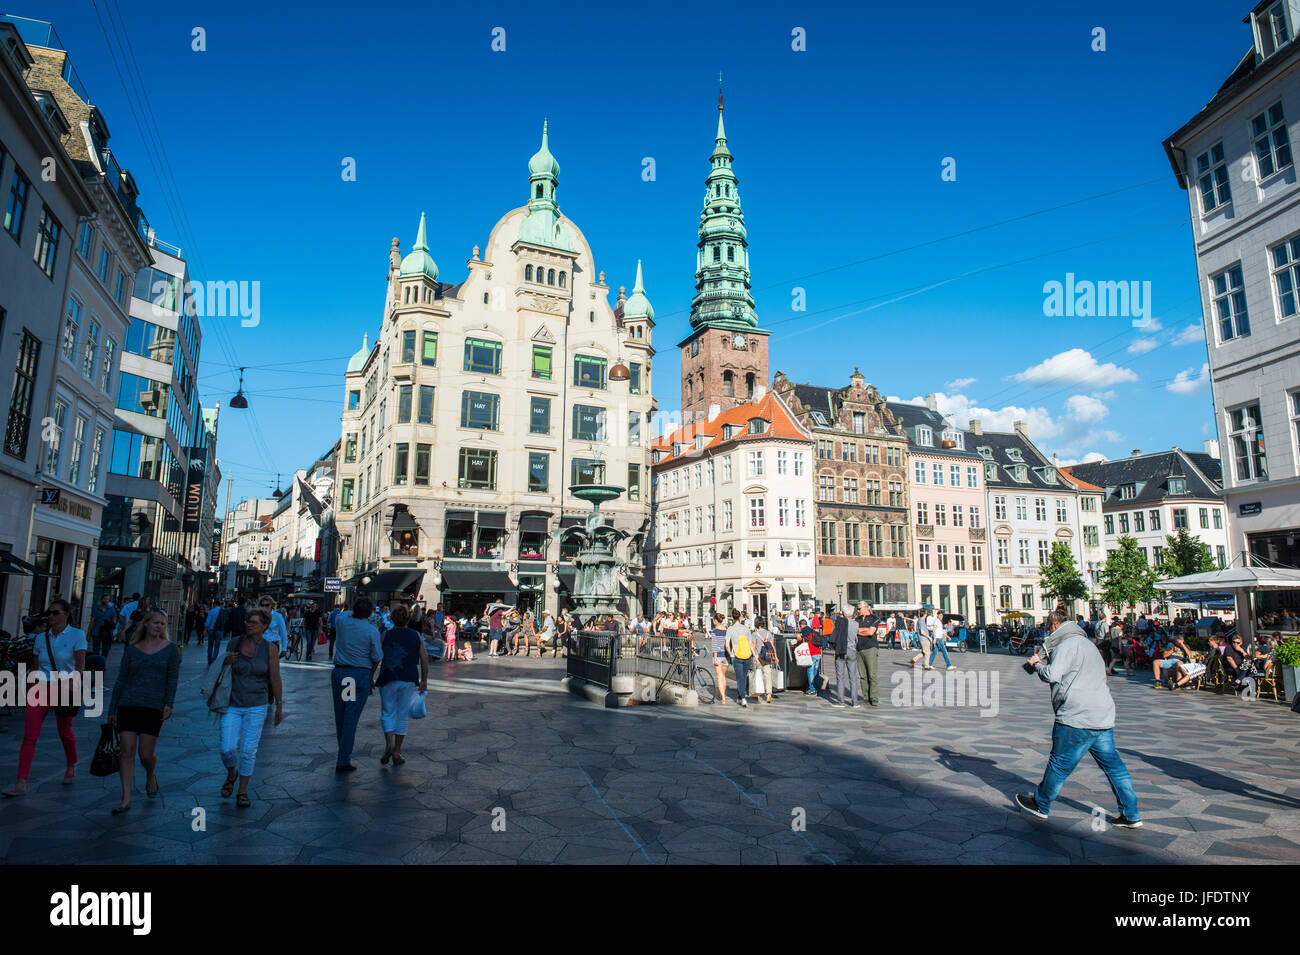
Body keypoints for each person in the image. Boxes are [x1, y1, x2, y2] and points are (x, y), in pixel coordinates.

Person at [1017, 607, 1141, 828]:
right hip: (1102, 714)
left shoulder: (1066, 645)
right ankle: (1130, 814)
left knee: (1059, 763)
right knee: (1114, 767)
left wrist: (1037, 664)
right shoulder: (1089, 644)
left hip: (1076, 716)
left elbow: (1052, 675)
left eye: (1048, 628)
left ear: (1055, 626)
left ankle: (1041, 804)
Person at [3, 600, 86, 798]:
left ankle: (71, 764)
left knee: (65, 732)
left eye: (55, 613)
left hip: (64, 687)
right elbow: (35, 666)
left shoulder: (77, 635)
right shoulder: (41, 638)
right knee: (30, 735)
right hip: (41, 687)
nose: (50, 616)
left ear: (66, 614)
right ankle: (21, 782)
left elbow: (80, 667)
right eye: (49, 613)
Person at [106, 610, 181, 813]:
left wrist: (169, 703)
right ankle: (126, 797)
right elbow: (121, 678)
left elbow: (172, 678)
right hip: (128, 704)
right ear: (146, 624)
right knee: (126, 751)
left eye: (163, 624)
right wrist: (112, 708)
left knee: (145, 754)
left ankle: (150, 774)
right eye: (156, 623)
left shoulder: (171, 649)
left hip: (153, 706)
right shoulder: (132, 649)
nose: (159, 627)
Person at [219, 608, 283, 808]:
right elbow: (221, 671)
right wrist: (226, 660)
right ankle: (232, 772)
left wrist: (279, 704)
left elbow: (274, 677)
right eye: (248, 621)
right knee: (226, 748)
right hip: (233, 703)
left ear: (264, 626)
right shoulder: (234, 643)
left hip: (257, 704)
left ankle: (242, 790)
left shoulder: (270, 649)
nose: (249, 624)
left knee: (248, 750)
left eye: (254, 622)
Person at [331, 596, 383, 772]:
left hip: (340, 672)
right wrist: (370, 676)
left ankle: (343, 752)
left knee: (341, 715)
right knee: (350, 717)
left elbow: (341, 616)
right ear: (369, 613)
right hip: (356, 674)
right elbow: (377, 656)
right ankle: (343, 758)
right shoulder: (371, 631)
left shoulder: (342, 621)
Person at [377, 604, 429, 766]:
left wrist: (371, 676)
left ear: (392, 618)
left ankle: (388, 743)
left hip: (388, 677)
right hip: (408, 678)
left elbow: (376, 657)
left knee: (387, 712)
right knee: (401, 715)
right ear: (408, 618)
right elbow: (424, 659)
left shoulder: (385, 635)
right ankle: (397, 752)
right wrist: (424, 680)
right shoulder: (415, 636)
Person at [831, 610, 861, 708]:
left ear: (844, 614)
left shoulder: (839, 623)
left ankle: (841, 701)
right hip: (852, 650)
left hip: (841, 651)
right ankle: (855, 702)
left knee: (840, 677)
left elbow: (834, 635)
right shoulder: (856, 624)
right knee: (853, 677)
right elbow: (857, 638)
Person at [724, 610, 753, 708]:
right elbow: (750, 644)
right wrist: (755, 655)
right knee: (744, 677)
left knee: (740, 678)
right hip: (747, 656)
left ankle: (743, 698)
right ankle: (740, 697)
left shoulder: (730, 629)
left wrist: (730, 654)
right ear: (740, 617)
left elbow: (727, 645)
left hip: (737, 656)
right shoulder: (746, 629)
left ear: (732, 617)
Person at [855, 601, 881, 706]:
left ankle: (874, 697)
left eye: (859, 608)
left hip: (870, 648)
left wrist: (859, 631)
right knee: (862, 675)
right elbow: (853, 630)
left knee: (872, 674)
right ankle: (865, 696)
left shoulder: (874, 618)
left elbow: (871, 632)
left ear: (865, 608)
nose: (858, 611)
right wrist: (864, 630)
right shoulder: (857, 619)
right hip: (859, 648)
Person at [751, 617, 775, 703]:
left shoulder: (754, 634)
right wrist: (775, 656)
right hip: (768, 657)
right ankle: (768, 694)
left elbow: (753, 646)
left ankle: (758, 693)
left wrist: (755, 657)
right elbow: (772, 646)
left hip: (759, 657)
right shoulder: (769, 633)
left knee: (758, 676)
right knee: (767, 675)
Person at [796, 617, 822, 695]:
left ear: (801, 625)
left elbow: (799, 639)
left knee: (810, 671)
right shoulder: (811, 630)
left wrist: (798, 635)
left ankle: (812, 689)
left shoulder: (804, 630)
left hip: (812, 653)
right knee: (816, 672)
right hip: (818, 652)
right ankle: (817, 688)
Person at [90, 595, 118, 659]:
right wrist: (89, 633)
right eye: (105, 599)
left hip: (107, 632)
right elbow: (92, 621)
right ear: (101, 600)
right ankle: (96, 664)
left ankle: (102, 663)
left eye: (108, 599)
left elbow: (114, 621)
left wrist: (114, 633)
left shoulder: (111, 609)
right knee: (95, 649)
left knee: (106, 649)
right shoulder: (96, 609)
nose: (106, 601)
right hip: (96, 631)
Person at [709, 613, 728, 704]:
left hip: (719, 656)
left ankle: (723, 697)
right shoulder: (727, 631)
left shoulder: (714, 632)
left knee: (719, 677)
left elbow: (715, 646)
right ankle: (722, 693)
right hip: (726, 656)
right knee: (723, 676)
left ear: (716, 621)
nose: (713, 622)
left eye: (713, 620)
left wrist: (715, 658)